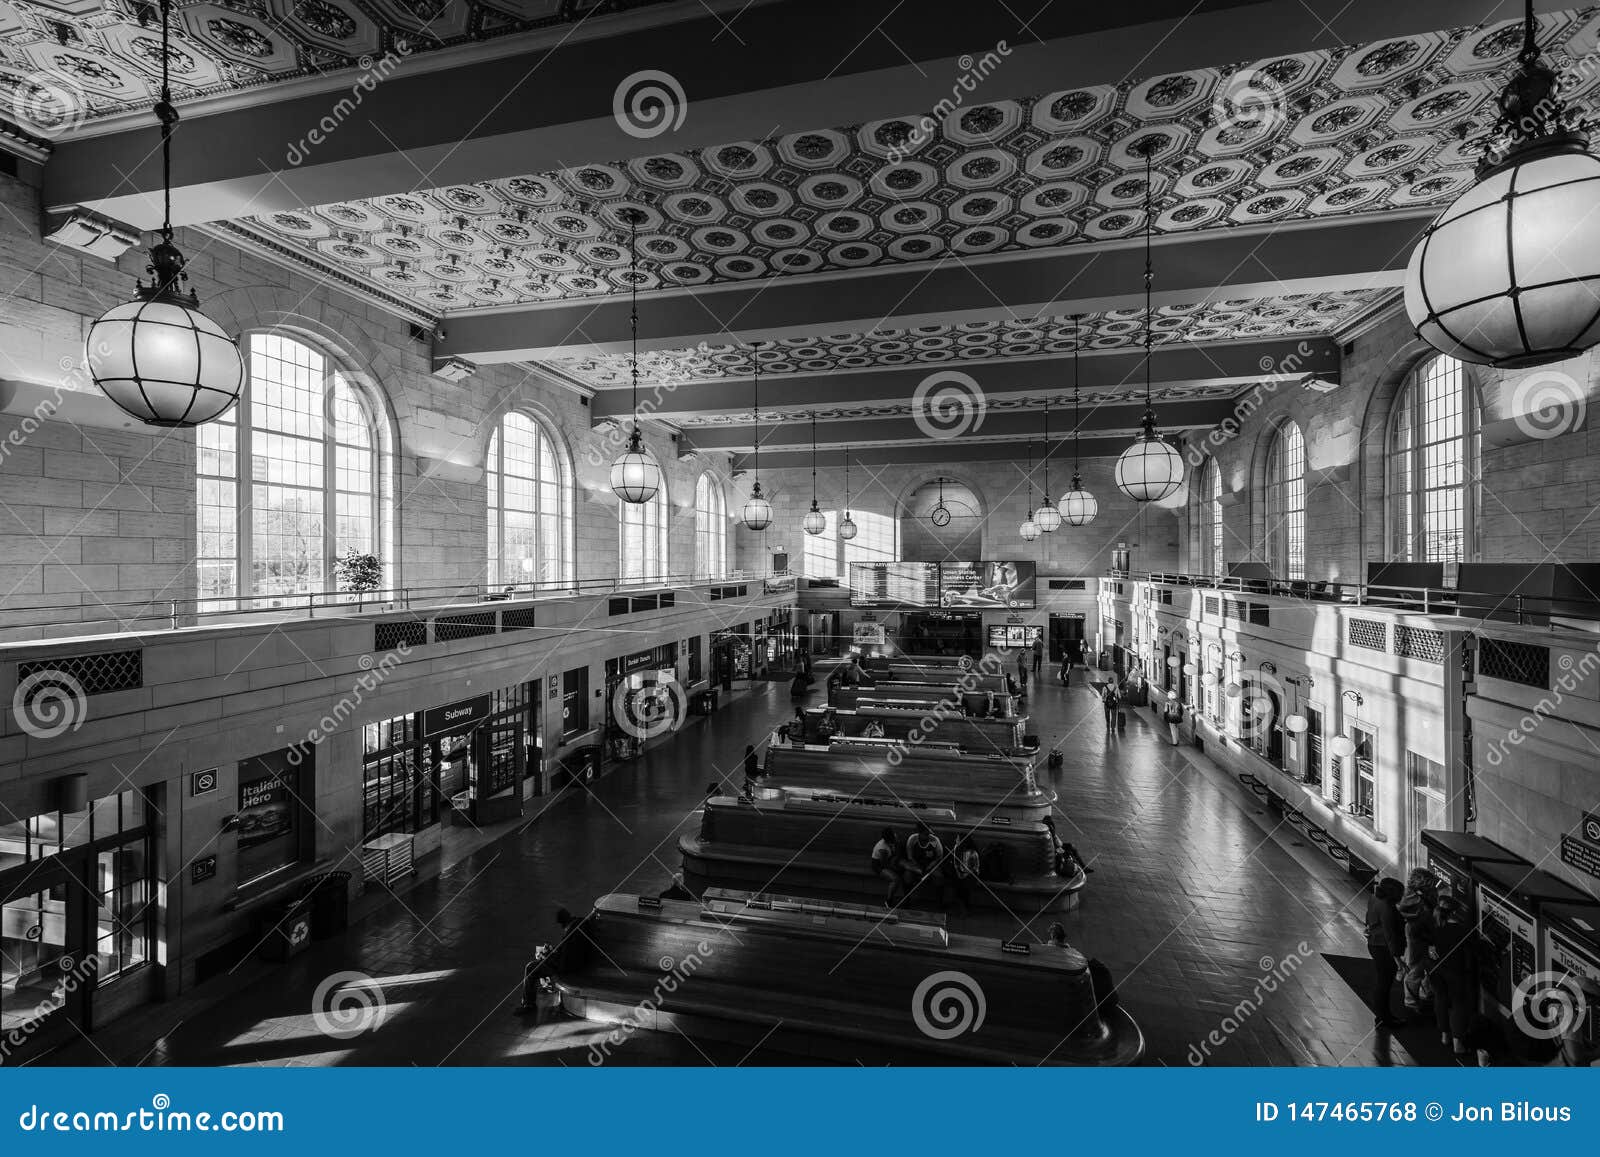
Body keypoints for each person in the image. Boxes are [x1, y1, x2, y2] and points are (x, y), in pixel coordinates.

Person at [1428, 893, 1478, 1057]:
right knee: (1458, 1005)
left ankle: (1444, 1035)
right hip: (1455, 973)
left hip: (1436, 971)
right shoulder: (1463, 931)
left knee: (1440, 1000)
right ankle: (1458, 1043)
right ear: (1455, 913)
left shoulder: (1435, 927)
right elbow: (1474, 953)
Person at [1365, 877, 1407, 1029]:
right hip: (1383, 948)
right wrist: (1398, 960)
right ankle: (1384, 1018)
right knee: (1384, 984)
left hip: (1374, 944)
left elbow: (1368, 915)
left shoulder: (1374, 897)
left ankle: (1382, 1016)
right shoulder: (1387, 908)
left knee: (1382, 982)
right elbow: (1390, 935)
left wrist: (1369, 926)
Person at [1397, 867, 1439, 1014]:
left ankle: (1424, 992)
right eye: (1431, 884)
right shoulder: (1413, 898)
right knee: (1415, 968)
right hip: (1415, 936)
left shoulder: (1414, 894)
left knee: (1421, 965)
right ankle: (1411, 1002)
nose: (1434, 887)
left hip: (1419, 936)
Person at [901, 823, 945, 902]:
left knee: (939, 876)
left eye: (929, 833)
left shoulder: (934, 840)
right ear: (919, 833)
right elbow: (910, 857)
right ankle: (906, 899)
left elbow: (939, 857)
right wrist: (918, 868)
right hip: (916, 865)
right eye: (925, 834)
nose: (928, 836)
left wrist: (930, 866)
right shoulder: (912, 839)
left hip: (931, 865)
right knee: (907, 875)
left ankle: (940, 901)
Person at [943, 835, 980, 915]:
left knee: (964, 885)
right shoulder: (957, 849)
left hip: (971, 874)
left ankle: (964, 908)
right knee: (956, 882)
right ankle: (961, 906)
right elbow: (956, 864)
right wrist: (959, 873)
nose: (955, 840)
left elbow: (976, 868)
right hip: (960, 873)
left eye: (957, 839)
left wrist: (964, 875)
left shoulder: (973, 853)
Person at [870, 827, 905, 906]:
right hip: (878, 865)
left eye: (893, 836)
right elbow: (884, 864)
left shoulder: (894, 837)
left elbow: (897, 848)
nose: (894, 838)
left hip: (891, 859)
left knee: (905, 869)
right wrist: (896, 869)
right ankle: (889, 901)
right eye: (892, 838)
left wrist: (896, 858)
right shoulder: (882, 848)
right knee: (895, 879)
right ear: (887, 839)